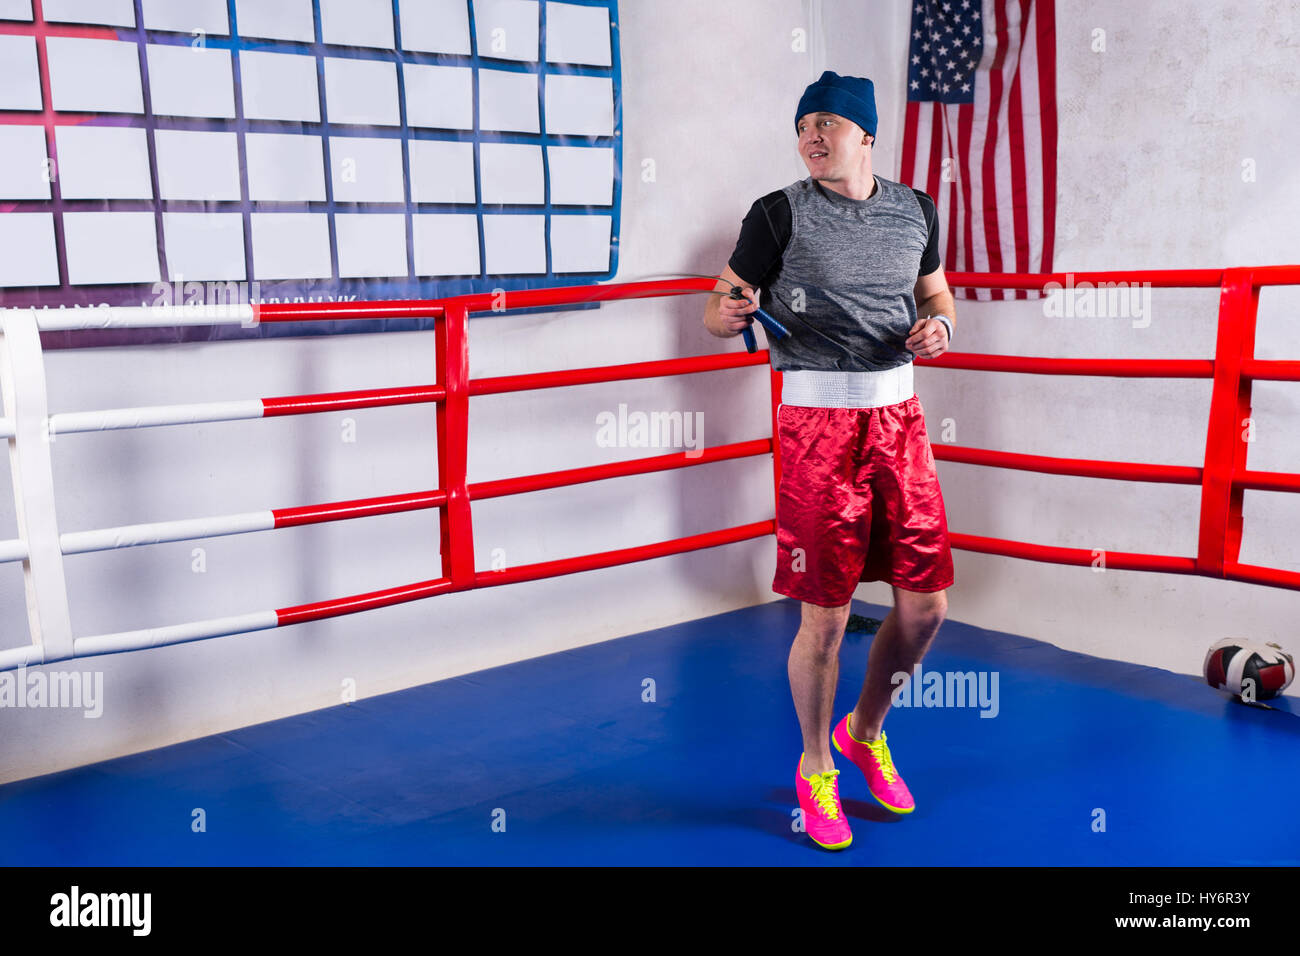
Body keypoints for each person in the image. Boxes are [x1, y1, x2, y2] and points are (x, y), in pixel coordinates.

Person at [702, 71, 956, 851]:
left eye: (828, 124)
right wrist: (732, 311)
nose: (812, 135)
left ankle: (863, 730)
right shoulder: (777, 214)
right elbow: (716, 310)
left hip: (899, 419)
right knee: (828, 615)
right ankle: (817, 768)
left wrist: (941, 328)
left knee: (926, 607)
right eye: (803, 124)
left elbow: (938, 297)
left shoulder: (915, 210)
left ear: (865, 135)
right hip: (816, 423)